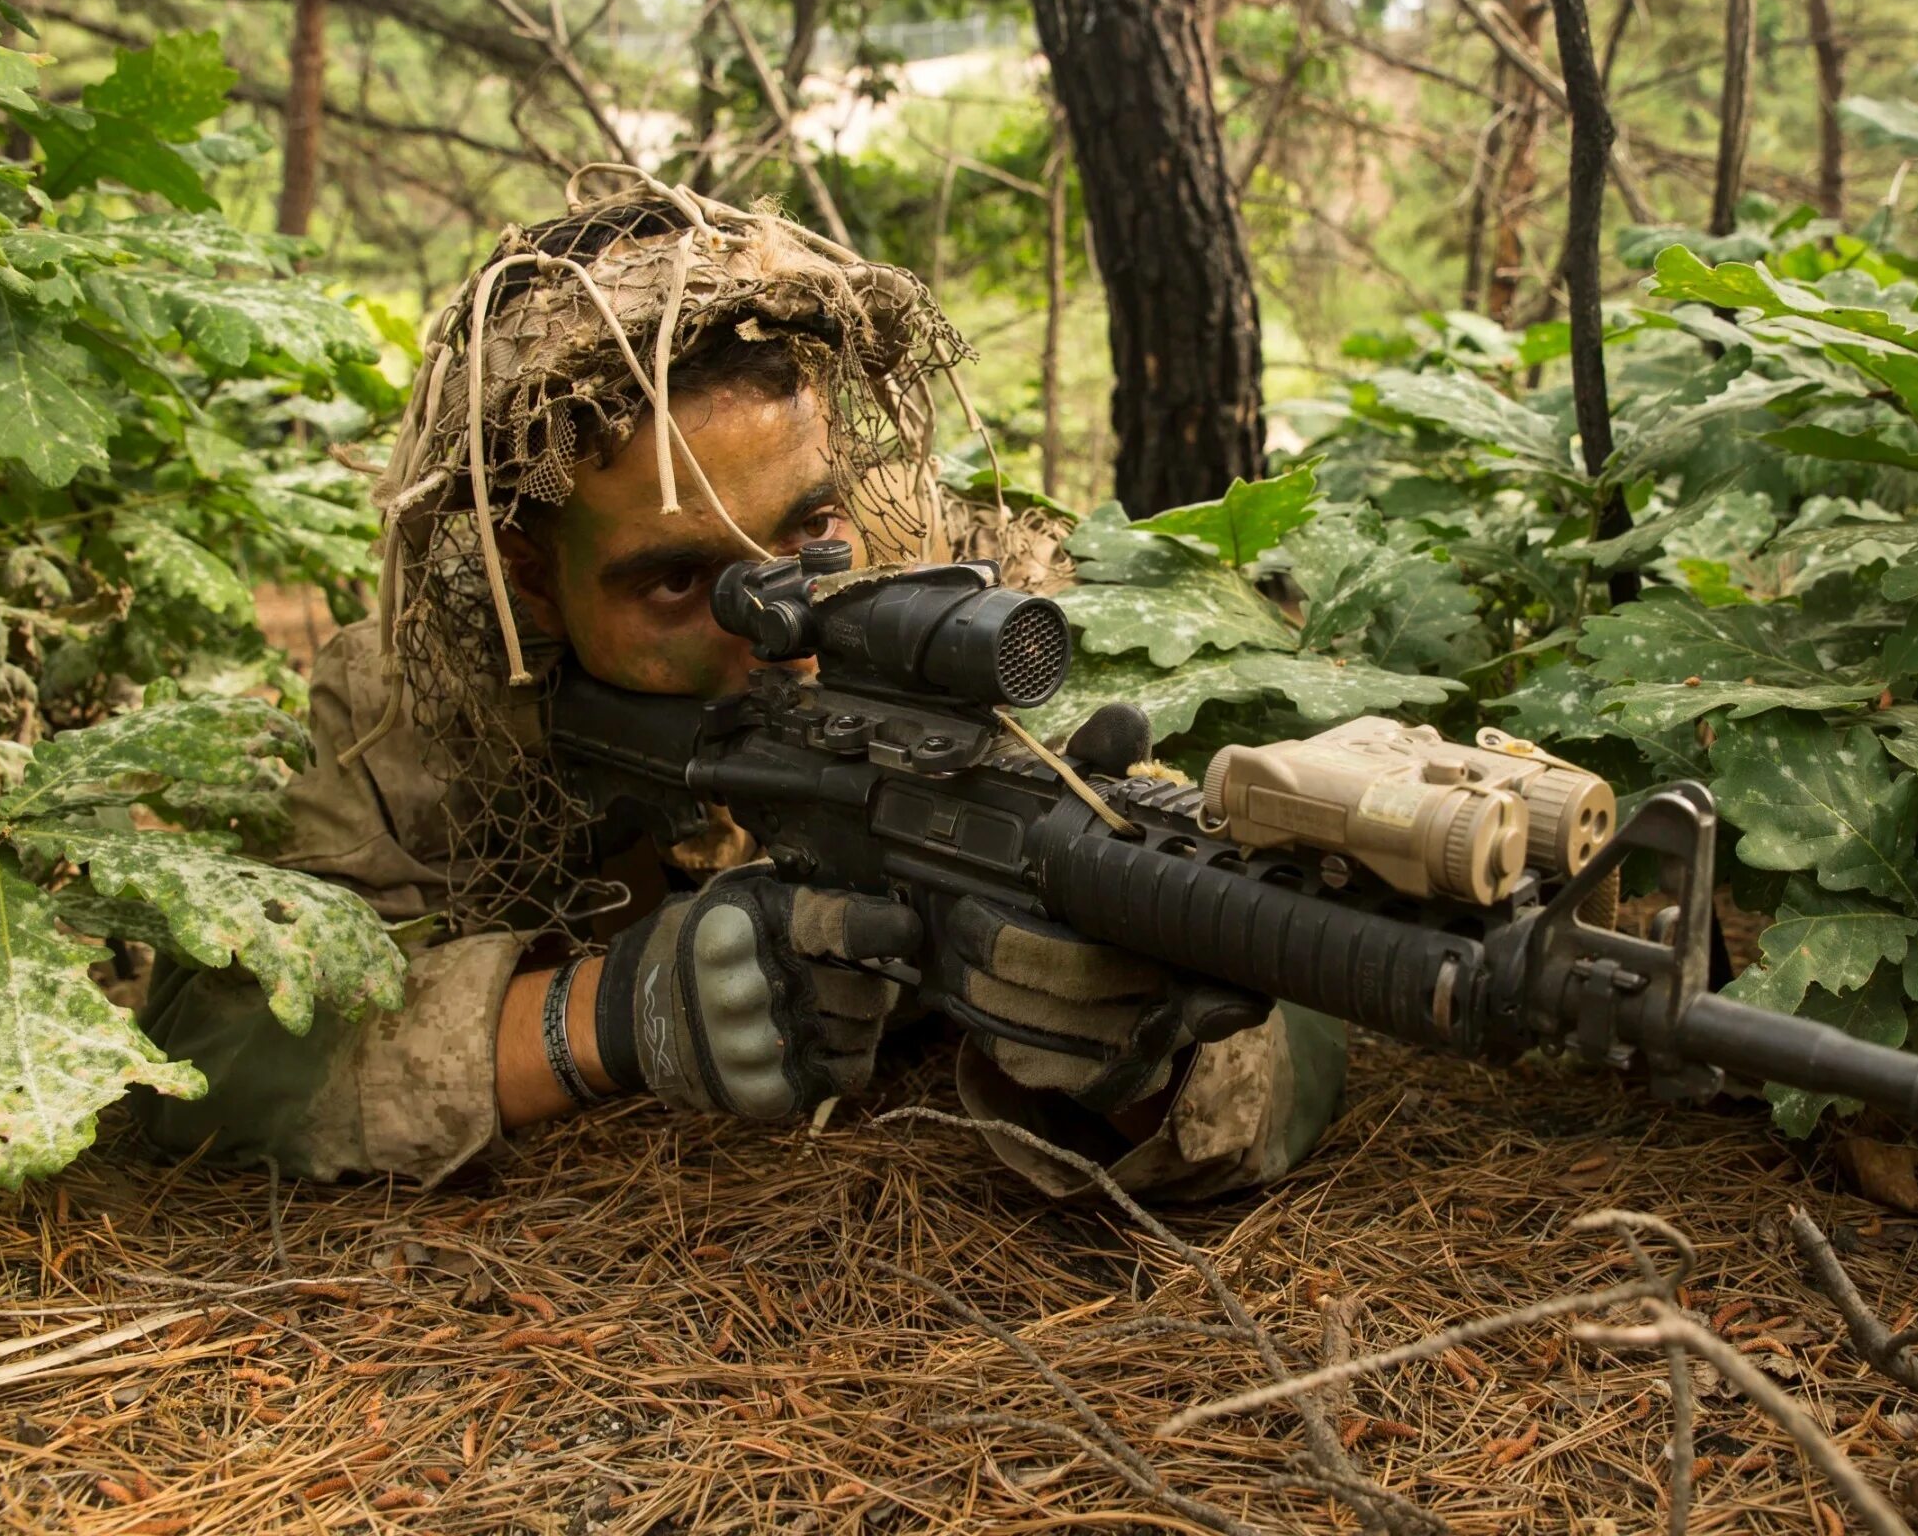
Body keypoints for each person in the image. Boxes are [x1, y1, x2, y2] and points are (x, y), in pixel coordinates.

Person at [135, 172, 1346, 1202]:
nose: (785, 629)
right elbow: (217, 1047)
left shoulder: (981, 610)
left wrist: (1138, 1060)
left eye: (813, 535)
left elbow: (1288, 995)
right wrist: (603, 1019)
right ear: (532, 582)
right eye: (678, 584)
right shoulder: (425, 702)